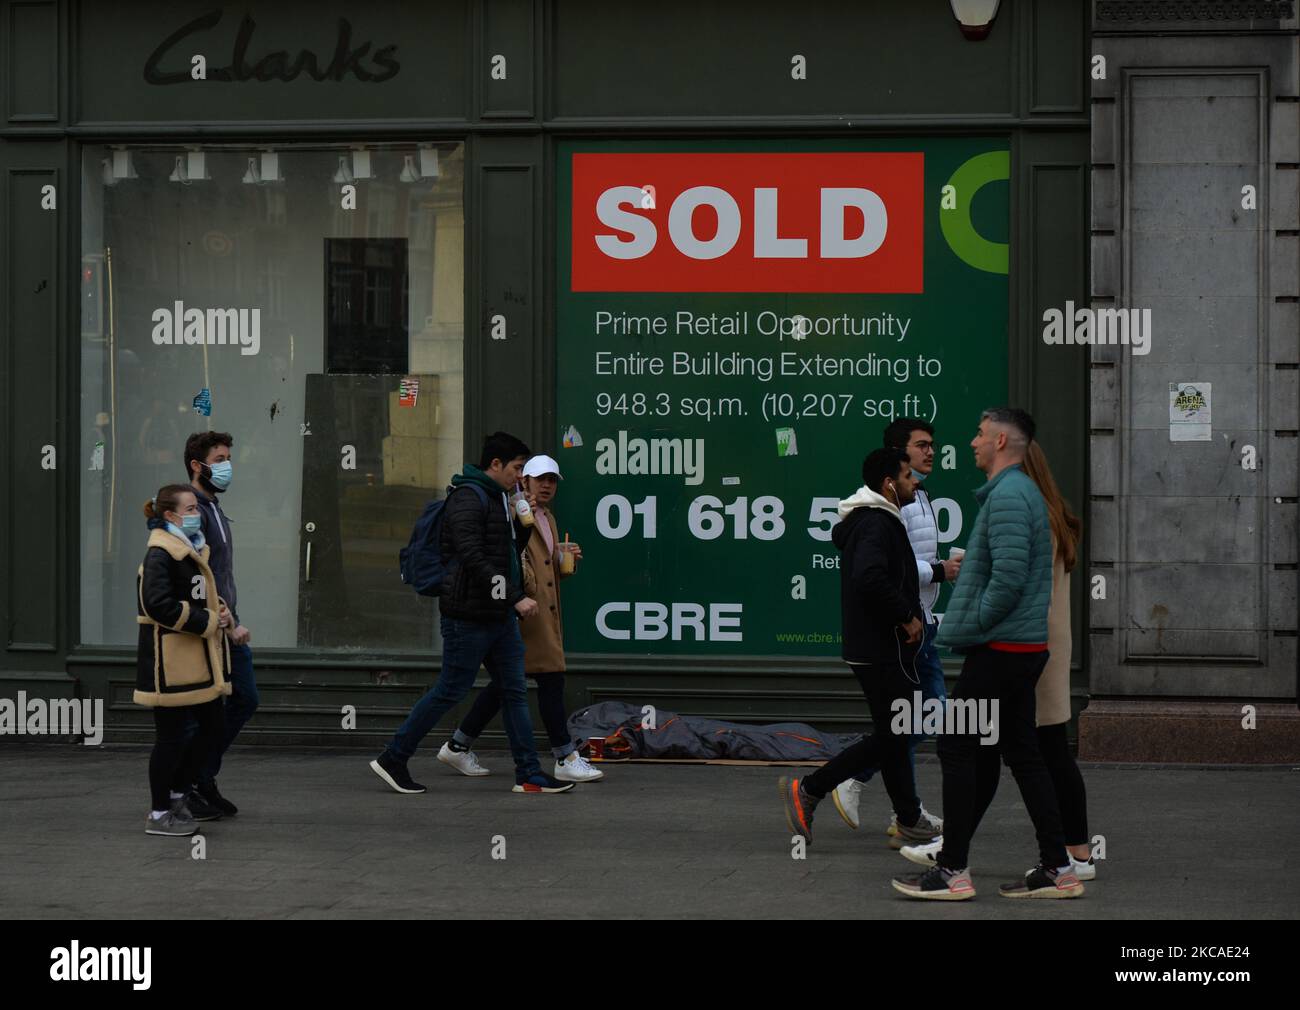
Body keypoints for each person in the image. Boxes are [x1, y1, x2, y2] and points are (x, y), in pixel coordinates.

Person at [893, 407, 1083, 900]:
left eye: (979, 434)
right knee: (1023, 752)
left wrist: (971, 623)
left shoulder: (1011, 496)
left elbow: (1009, 580)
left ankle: (953, 870)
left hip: (1000, 650)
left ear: (1001, 441)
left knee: (958, 747)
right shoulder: (1017, 493)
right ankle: (1057, 868)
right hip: (1016, 649)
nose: (972, 442)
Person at [370, 432, 574, 794]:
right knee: (451, 689)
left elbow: (508, 553)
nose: (519, 476)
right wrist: (514, 597)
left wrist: (521, 521)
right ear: (494, 464)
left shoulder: (501, 497)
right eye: (516, 468)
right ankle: (394, 756)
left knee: (513, 690)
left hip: (498, 618)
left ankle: (528, 773)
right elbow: (471, 556)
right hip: (468, 616)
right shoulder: (468, 497)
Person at [778, 448, 943, 850]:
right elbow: (868, 577)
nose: (915, 482)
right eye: (908, 475)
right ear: (889, 483)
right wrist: (907, 615)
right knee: (895, 733)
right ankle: (809, 790)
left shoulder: (873, 520)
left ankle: (908, 819)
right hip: (882, 649)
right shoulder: (877, 523)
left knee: (895, 732)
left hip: (874, 647)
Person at [438, 454, 603, 782]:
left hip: (541, 614)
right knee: (550, 679)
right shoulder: (513, 512)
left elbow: (544, 571)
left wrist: (561, 561)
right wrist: (528, 586)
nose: (546, 485)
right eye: (539, 478)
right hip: (522, 614)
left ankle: (457, 746)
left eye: (552, 480)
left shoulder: (548, 518)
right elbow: (510, 565)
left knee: (506, 684)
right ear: (522, 480)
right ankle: (564, 756)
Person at [834, 418, 961, 835]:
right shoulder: (893, 502)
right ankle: (858, 781)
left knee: (909, 719)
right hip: (907, 629)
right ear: (898, 456)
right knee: (923, 717)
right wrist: (941, 571)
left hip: (920, 624)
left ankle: (905, 814)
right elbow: (889, 571)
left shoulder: (917, 494)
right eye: (921, 446)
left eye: (932, 444)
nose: (930, 451)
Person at [135, 485, 232, 836]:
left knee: (211, 728)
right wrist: (206, 621)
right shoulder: (161, 554)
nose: (196, 514)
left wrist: (223, 616)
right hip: (170, 664)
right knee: (172, 737)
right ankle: (160, 812)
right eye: (190, 508)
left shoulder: (189, 549)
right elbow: (157, 604)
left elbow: (199, 595)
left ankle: (178, 793)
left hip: (196, 661)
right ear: (170, 516)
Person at [1023, 440, 1094, 880]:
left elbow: (1022, 584)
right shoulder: (1050, 513)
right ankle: (1078, 851)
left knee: (1046, 750)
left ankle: (1076, 853)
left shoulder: (1035, 517)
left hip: (1033, 647)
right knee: (1049, 751)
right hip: (1048, 643)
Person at [178, 431, 255, 819]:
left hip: (228, 624)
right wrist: (224, 621)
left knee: (243, 697)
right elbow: (197, 575)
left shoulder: (215, 507)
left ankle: (201, 776)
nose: (226, 466)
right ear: (198, 465)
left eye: (228, 457)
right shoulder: (194, 511)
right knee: (205, 709)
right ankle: (189, 784)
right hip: (212, 628)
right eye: (220, 458)